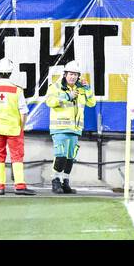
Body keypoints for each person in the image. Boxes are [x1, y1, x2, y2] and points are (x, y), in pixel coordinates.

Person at [0, 57, 33, 195]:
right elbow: (23, 112)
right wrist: (21, 127)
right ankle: (20, 186)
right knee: (17, 157)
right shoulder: (17, 91)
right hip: (14, 129)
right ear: (11, 72)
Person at [46, 60, 95, 194]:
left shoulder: (81, 89)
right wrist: (67, 95)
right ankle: (55, 181)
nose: (73, 77)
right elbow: (50, 101)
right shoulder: (55, 87)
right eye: (70, 74)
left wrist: (88, 89)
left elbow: (91, 103)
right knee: (60, 155)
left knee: (70, 157)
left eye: (75, 74)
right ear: (65, 74)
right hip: (60, 128)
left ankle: (65, 181)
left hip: (75, 129)